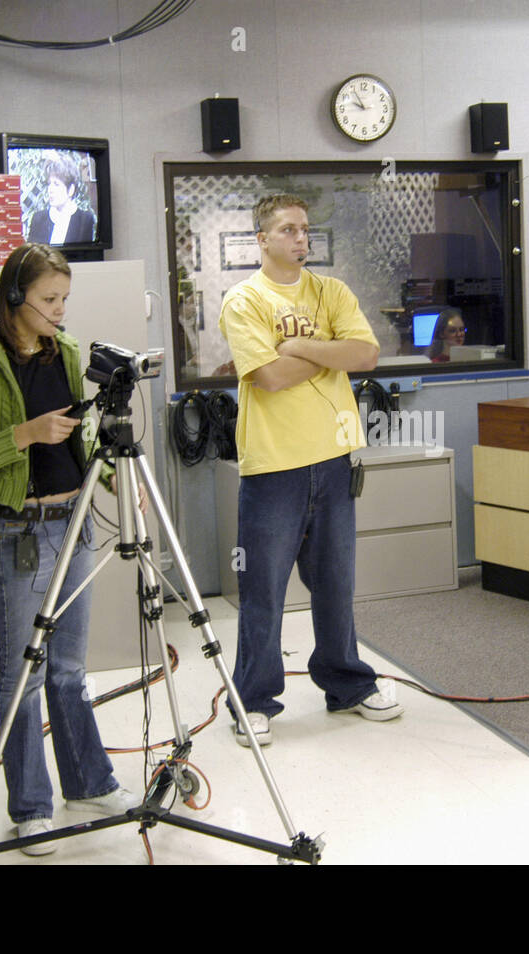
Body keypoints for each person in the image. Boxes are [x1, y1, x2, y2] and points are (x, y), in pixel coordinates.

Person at [0, 242, 136, 854]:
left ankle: (88, 782)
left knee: (71, 669)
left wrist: (113, 477)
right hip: (17, 532)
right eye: (50, 300)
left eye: (65, 300)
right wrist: (22, 434)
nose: (59, 311)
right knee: (24, 674)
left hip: (72, 524)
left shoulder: (69, 351)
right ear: (16, 297)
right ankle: (30, 807)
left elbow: (75, 447)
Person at [217, 193, 404, 747]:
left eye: (305, 230)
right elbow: (269, 377)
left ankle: (346, 684)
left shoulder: (332, 292)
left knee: (335, 584)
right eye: (288, 230)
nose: (301, 239)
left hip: (334, 458)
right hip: (275, 467)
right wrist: (327, 350)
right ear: (262, 238)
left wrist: (299, 345)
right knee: (264, 591)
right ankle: (252, 700)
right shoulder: (244, 300)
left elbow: (366, 356)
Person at [27, 159, 96, 246]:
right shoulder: (38, 218)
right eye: (49, 184)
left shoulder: (85, 219)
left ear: (71, 189)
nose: (50, 190)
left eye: (56, 184)